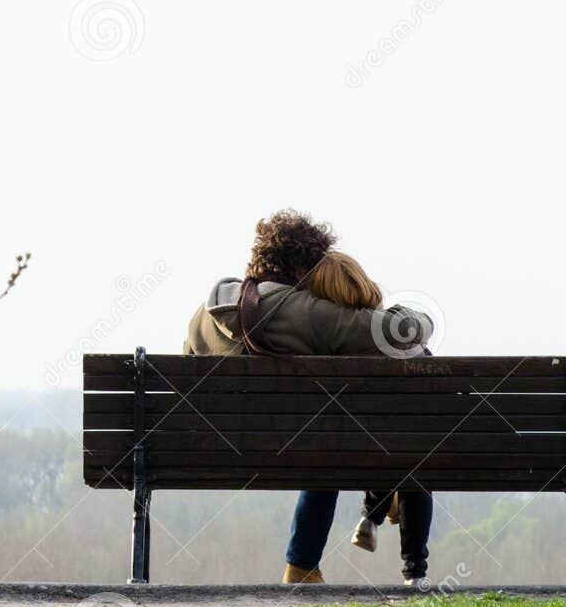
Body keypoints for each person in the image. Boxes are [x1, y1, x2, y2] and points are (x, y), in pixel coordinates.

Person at [183, 211, 435, 585]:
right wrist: (417, 317)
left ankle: (306, 565)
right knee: (325, 440)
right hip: (297, 451)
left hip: (210, 450)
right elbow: (401, 331)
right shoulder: (306, 313)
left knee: (321, 434)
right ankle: (303, 564)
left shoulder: (204, 314)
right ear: (303, 268)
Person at [303, 250, 435, 584]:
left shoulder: (325, 340)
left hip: (350, 451)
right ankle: (414, 572)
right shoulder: (396, 334)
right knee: (412, 462)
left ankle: (371, 515)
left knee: (379, 442)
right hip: (410, 448)